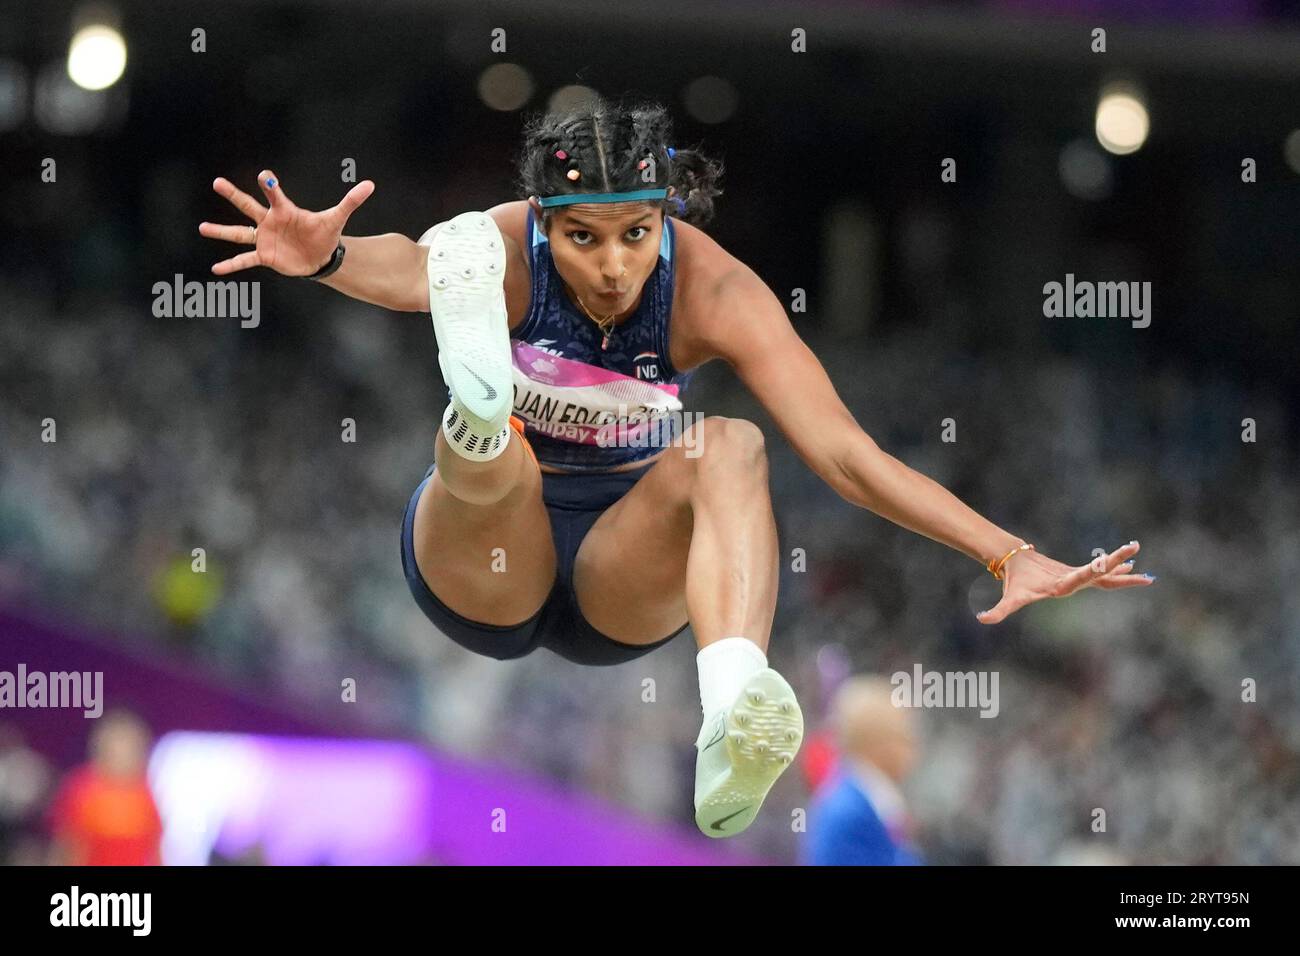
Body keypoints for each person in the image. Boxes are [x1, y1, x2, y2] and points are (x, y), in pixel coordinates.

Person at [199, 96, 1153, 838]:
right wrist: (326, 259)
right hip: (482, 562)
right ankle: (479, 416)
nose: (614, 266)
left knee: (732, 444)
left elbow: (845, 455)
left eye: (635, 234)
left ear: (664, 215)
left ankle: (732, 712)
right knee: (506, 460)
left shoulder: (714, 289)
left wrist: (1005, 552)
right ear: (543, 219)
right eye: (582, 238)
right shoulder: (497, 245)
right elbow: (408, 266)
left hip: (625, 570)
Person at [803, 676, 923, 866]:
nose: (913, 751)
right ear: (881, 744)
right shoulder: (849, 811)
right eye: (904, 739)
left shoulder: (865, 800)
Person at [46, 710, 163, 866]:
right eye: (117, 743)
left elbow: (155, 850)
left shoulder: (149, 792)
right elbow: (66, 848)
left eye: (130, 745)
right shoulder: (80, 789)